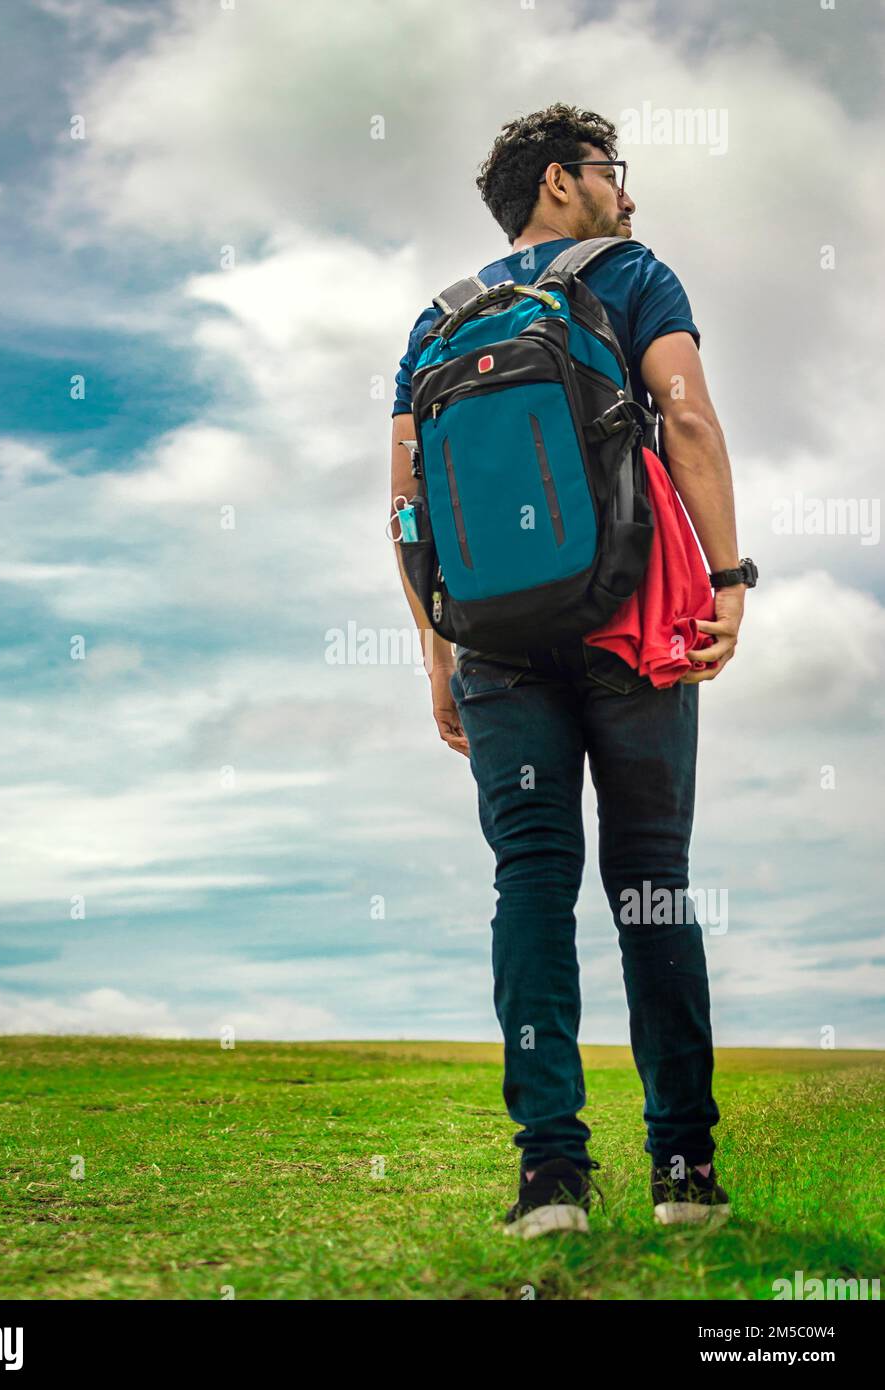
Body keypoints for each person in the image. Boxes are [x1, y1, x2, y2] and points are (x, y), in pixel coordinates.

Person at [389, 104, 750, 1237]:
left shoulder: (433, 321)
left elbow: (404, 504)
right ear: (560, 182)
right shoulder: (632, 274)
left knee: (529, 883)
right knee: (648, 880)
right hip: (626, 624)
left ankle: (549, 1179)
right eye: (610, 171)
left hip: (492, 638)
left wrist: (434, 649)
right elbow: (685, 422)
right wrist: (729, 580)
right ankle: (681, 1174)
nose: (626, 193)